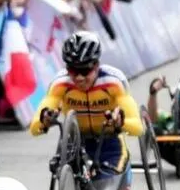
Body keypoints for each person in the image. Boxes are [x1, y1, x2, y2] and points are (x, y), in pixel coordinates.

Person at [29, 31, 144, 178]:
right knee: (64, 175)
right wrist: (44, 120)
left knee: (107, 181)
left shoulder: (113, 82)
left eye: (84, 71)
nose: (79, 78)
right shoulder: (60, 84)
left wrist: (121, 123)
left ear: (96, 65)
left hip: (108, 141)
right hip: (75, 143)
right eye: (72, 70)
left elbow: (137, 128)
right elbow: (34, 128)